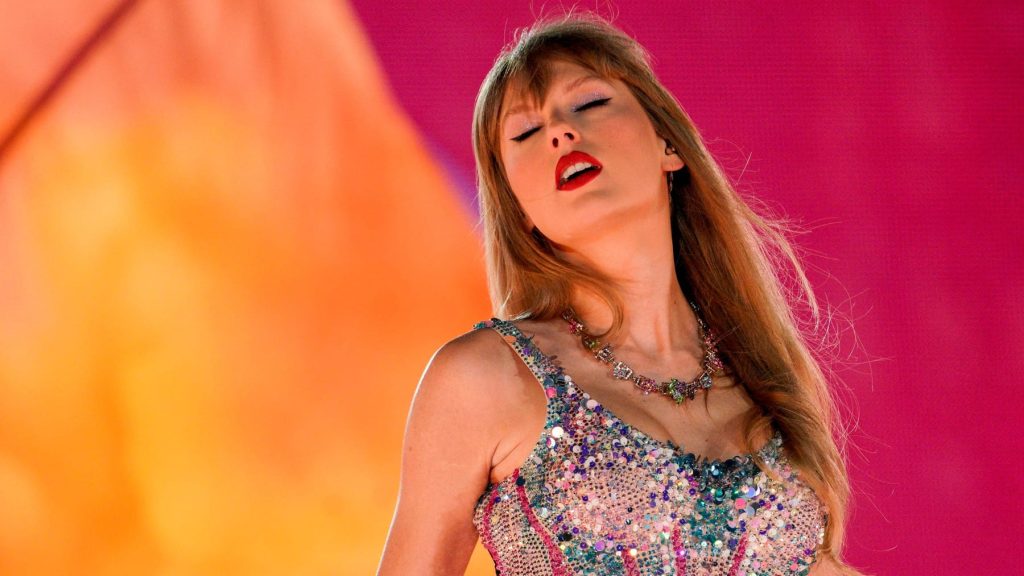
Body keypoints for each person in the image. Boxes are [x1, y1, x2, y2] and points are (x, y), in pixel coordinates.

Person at [379, 13, 861, 576]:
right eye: (526, 133)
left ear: (668, 146)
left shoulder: (766, 386)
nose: (560, 131)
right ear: (520, 209)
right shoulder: (484, 379)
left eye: (588, 104)